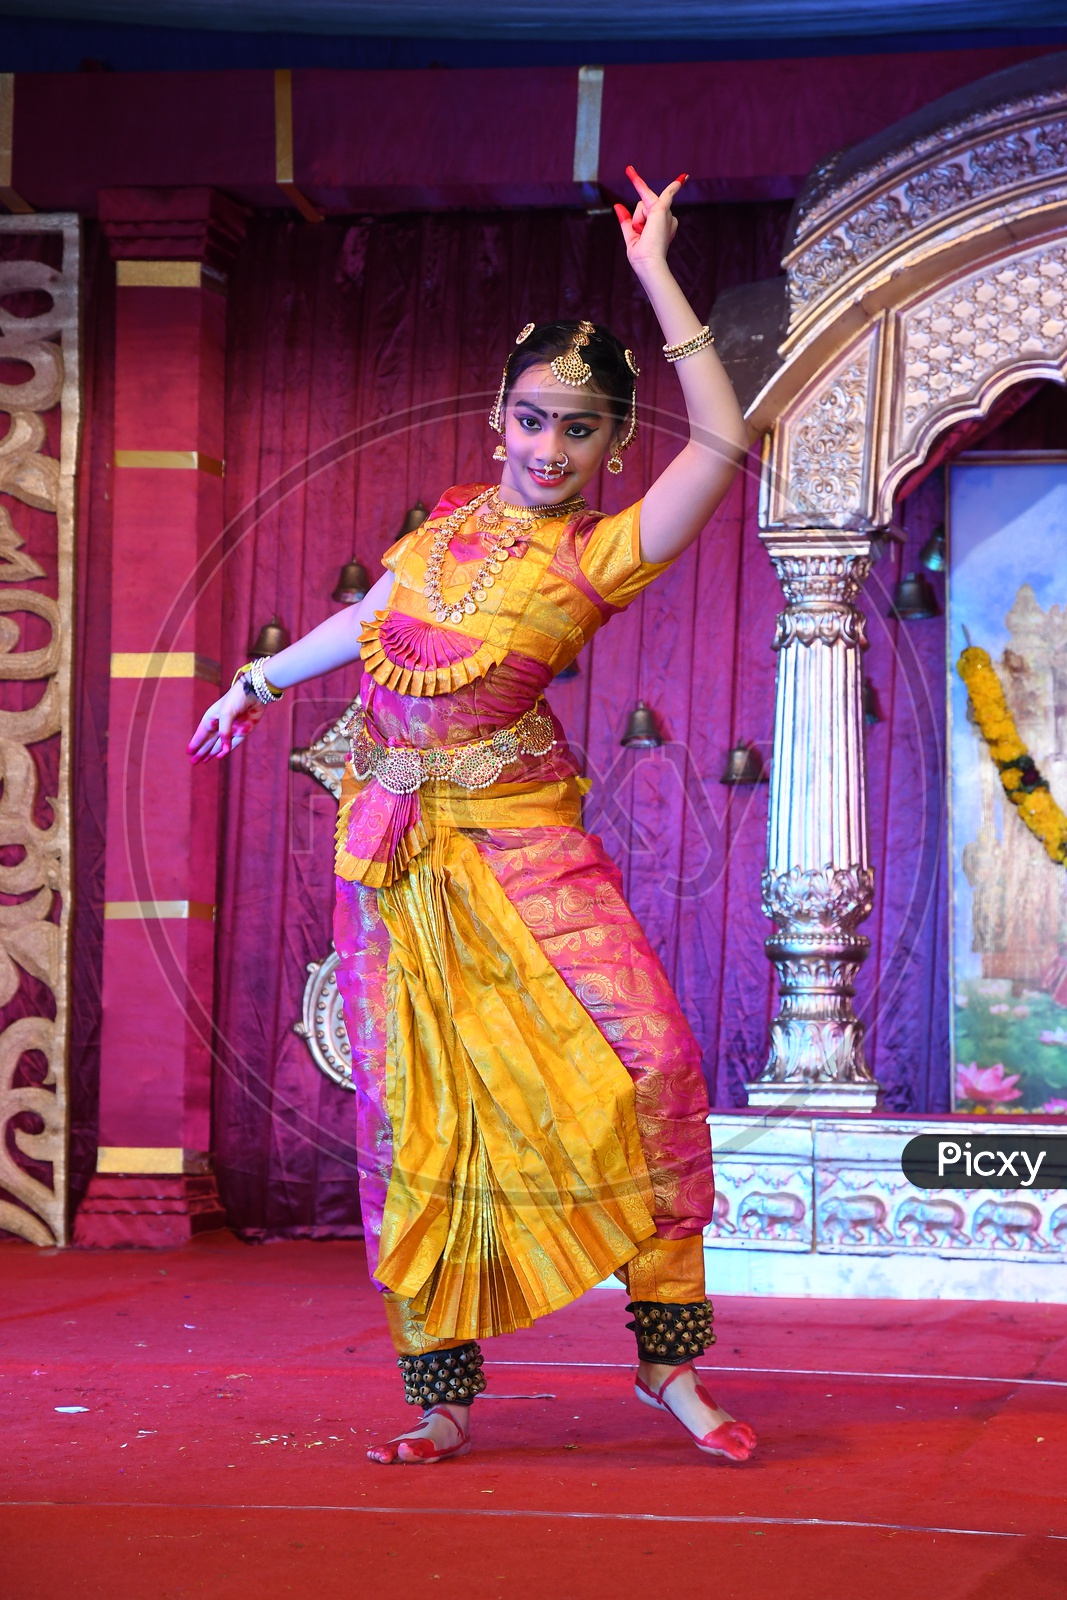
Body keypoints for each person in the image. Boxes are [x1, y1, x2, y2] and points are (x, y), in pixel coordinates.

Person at [190, 167, 755, 1467]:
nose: (550, 451)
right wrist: (258, 681)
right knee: (422, 1126)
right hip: (400, 862)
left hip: (527, 848)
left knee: (654, 1066)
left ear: (616, 443)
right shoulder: (442, 530)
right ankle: (440, 1393)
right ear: (500, 419)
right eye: (531, 422)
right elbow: (372, 623)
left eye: (580, 431)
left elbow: (723, 444)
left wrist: (660, 276)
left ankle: (668, 1366)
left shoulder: (599, 553)